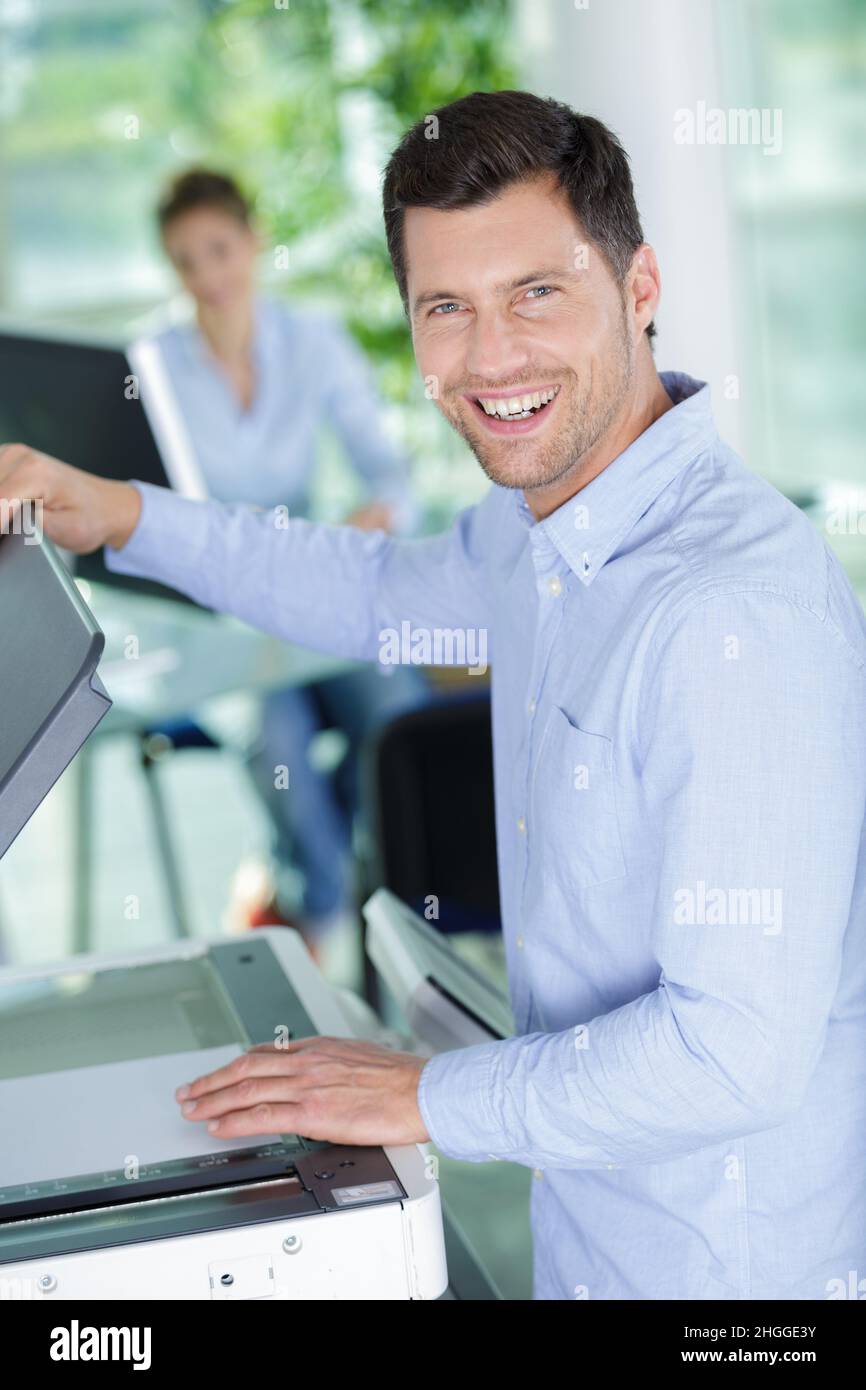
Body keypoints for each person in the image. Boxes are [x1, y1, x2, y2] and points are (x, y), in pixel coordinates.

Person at [3, 89, 865, 1302]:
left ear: (640, 286)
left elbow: (736, 1055)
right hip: (589, 1231)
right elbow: (372, 590)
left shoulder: (729, 612)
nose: (491, 357)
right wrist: (127, 513)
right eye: (444, 310)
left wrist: (417, 1092)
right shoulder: (544, 527)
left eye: (535, 294)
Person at [148, 168, 425, 947]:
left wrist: (379, 514)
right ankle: (328, 910)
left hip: (308, 591)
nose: (207, 278)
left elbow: (389, 470)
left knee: (394, 710)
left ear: (254, 240)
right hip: (215, 612)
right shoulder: (153, 363)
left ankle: (296, 879)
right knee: (277, 735)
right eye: (185, 261)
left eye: (219, 250)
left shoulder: (313, 341)